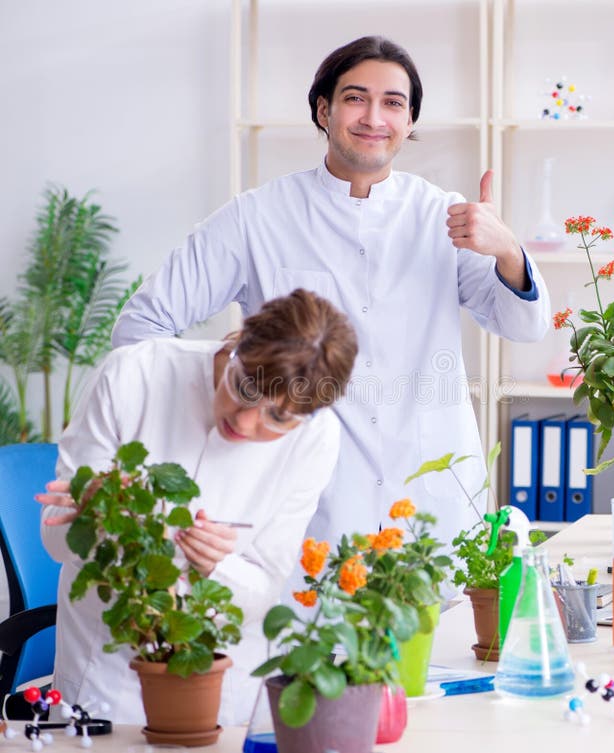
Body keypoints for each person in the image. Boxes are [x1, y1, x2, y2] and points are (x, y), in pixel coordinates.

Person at [110, 36, 550, 582]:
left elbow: (523, 325)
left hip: (432, 505)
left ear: (410, 120)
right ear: (324, 109)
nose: (374, 117)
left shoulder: (445, 216)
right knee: (307, 652)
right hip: (305, 508)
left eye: (393, 103)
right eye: (355, 98)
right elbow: (139, 329)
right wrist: (236, 384)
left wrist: (507, 249)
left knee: (438, 660)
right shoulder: (257, 217)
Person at [37, 289, 358, 725]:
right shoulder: (133, 377)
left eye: (278, 418)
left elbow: (264, 587)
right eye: (244, 387)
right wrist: (98, 514)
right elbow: (56, 537)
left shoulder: (316, 440)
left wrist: (218, 566)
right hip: (106, 680)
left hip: (223, 690)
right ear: (236, 340)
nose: (246, 422)